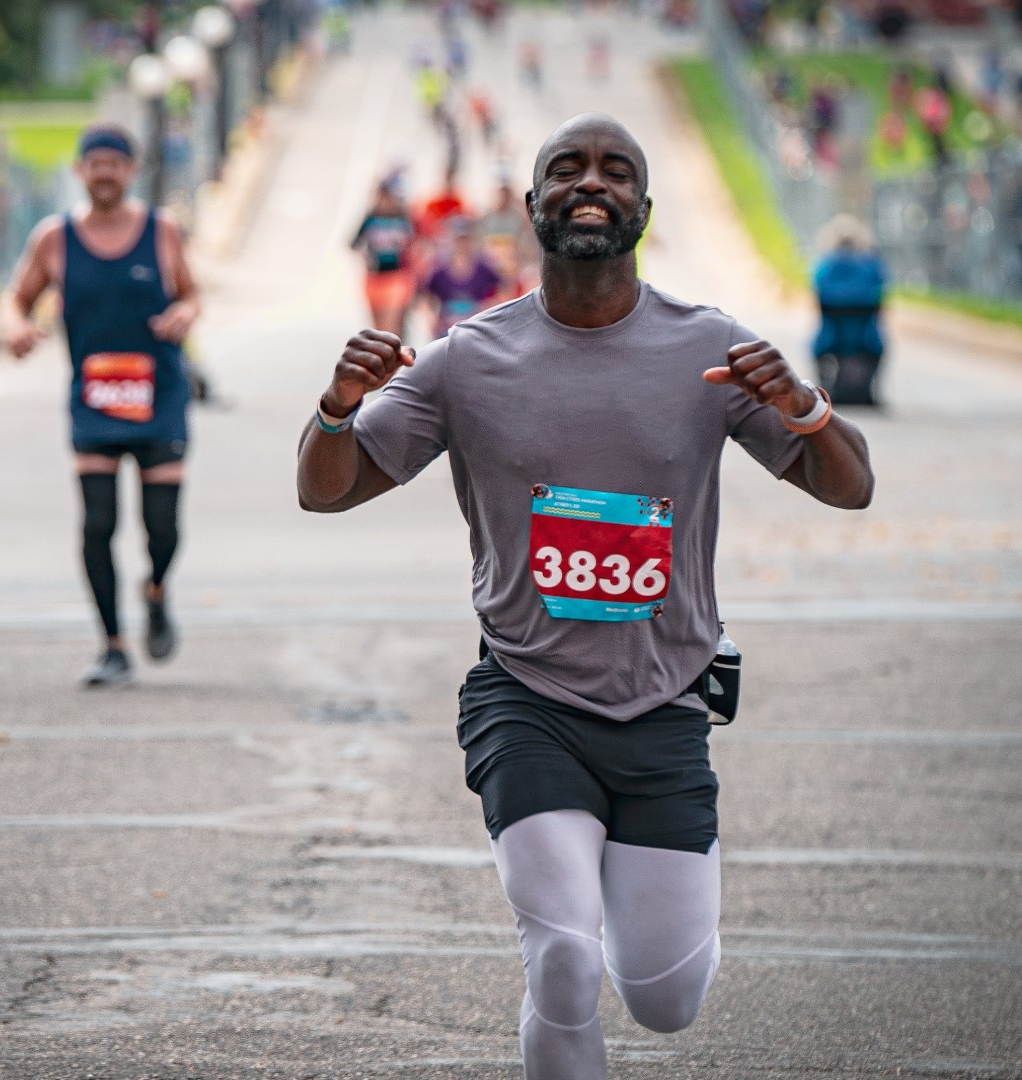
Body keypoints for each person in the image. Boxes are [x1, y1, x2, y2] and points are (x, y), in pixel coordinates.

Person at [295, 114, 874, 1080]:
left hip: (665, 706)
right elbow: (328, 489)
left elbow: (850, 488)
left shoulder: (712, 347)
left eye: (616, 170)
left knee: (665, 1000)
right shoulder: (466, 358)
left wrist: (806, 410)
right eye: (567, 169)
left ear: (644, 207)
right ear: (534, 205)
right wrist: (336, 409)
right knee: (563, 957)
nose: (591, 183)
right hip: (526, 698)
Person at [0, 125, 199, 688]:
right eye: (95, 163)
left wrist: (185, 312)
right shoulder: (54, 238)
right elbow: (16, 297)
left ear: (131, 170)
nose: (105, 172)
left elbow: (190, 291)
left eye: (115, 162)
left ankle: (155, 589)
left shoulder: (161, 230)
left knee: (162, 527)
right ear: (79, 171)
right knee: (96, 524)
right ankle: (113, 645)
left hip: (158, 396)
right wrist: (15, 327)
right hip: (95, 401)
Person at [811, 213, 887, 406]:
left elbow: (818, 300)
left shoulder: (825, 267)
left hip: (832, 335)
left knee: (815, 347)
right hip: (865, 336)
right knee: (880, 347)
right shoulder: (871, 267)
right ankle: (870, 391)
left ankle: (824, 389)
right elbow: (880, 301)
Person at [352, 178, 416, 337]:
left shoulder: (402, 218)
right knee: (379, 329)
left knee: (392, 325)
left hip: (397, 276)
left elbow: (415, 242)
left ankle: (398, 348)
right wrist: (366, 256)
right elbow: (354, 243)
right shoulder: (371, 219)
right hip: (375, 277)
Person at [421, 217, 502, 338]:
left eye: (465, 240)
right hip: (447, 330)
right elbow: (426, 298)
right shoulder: (439, 271)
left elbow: (501, 293)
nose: (462, 245)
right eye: (458, 240)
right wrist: (432, 319)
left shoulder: (484, 269)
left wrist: (485, 309)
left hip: (476, 328)